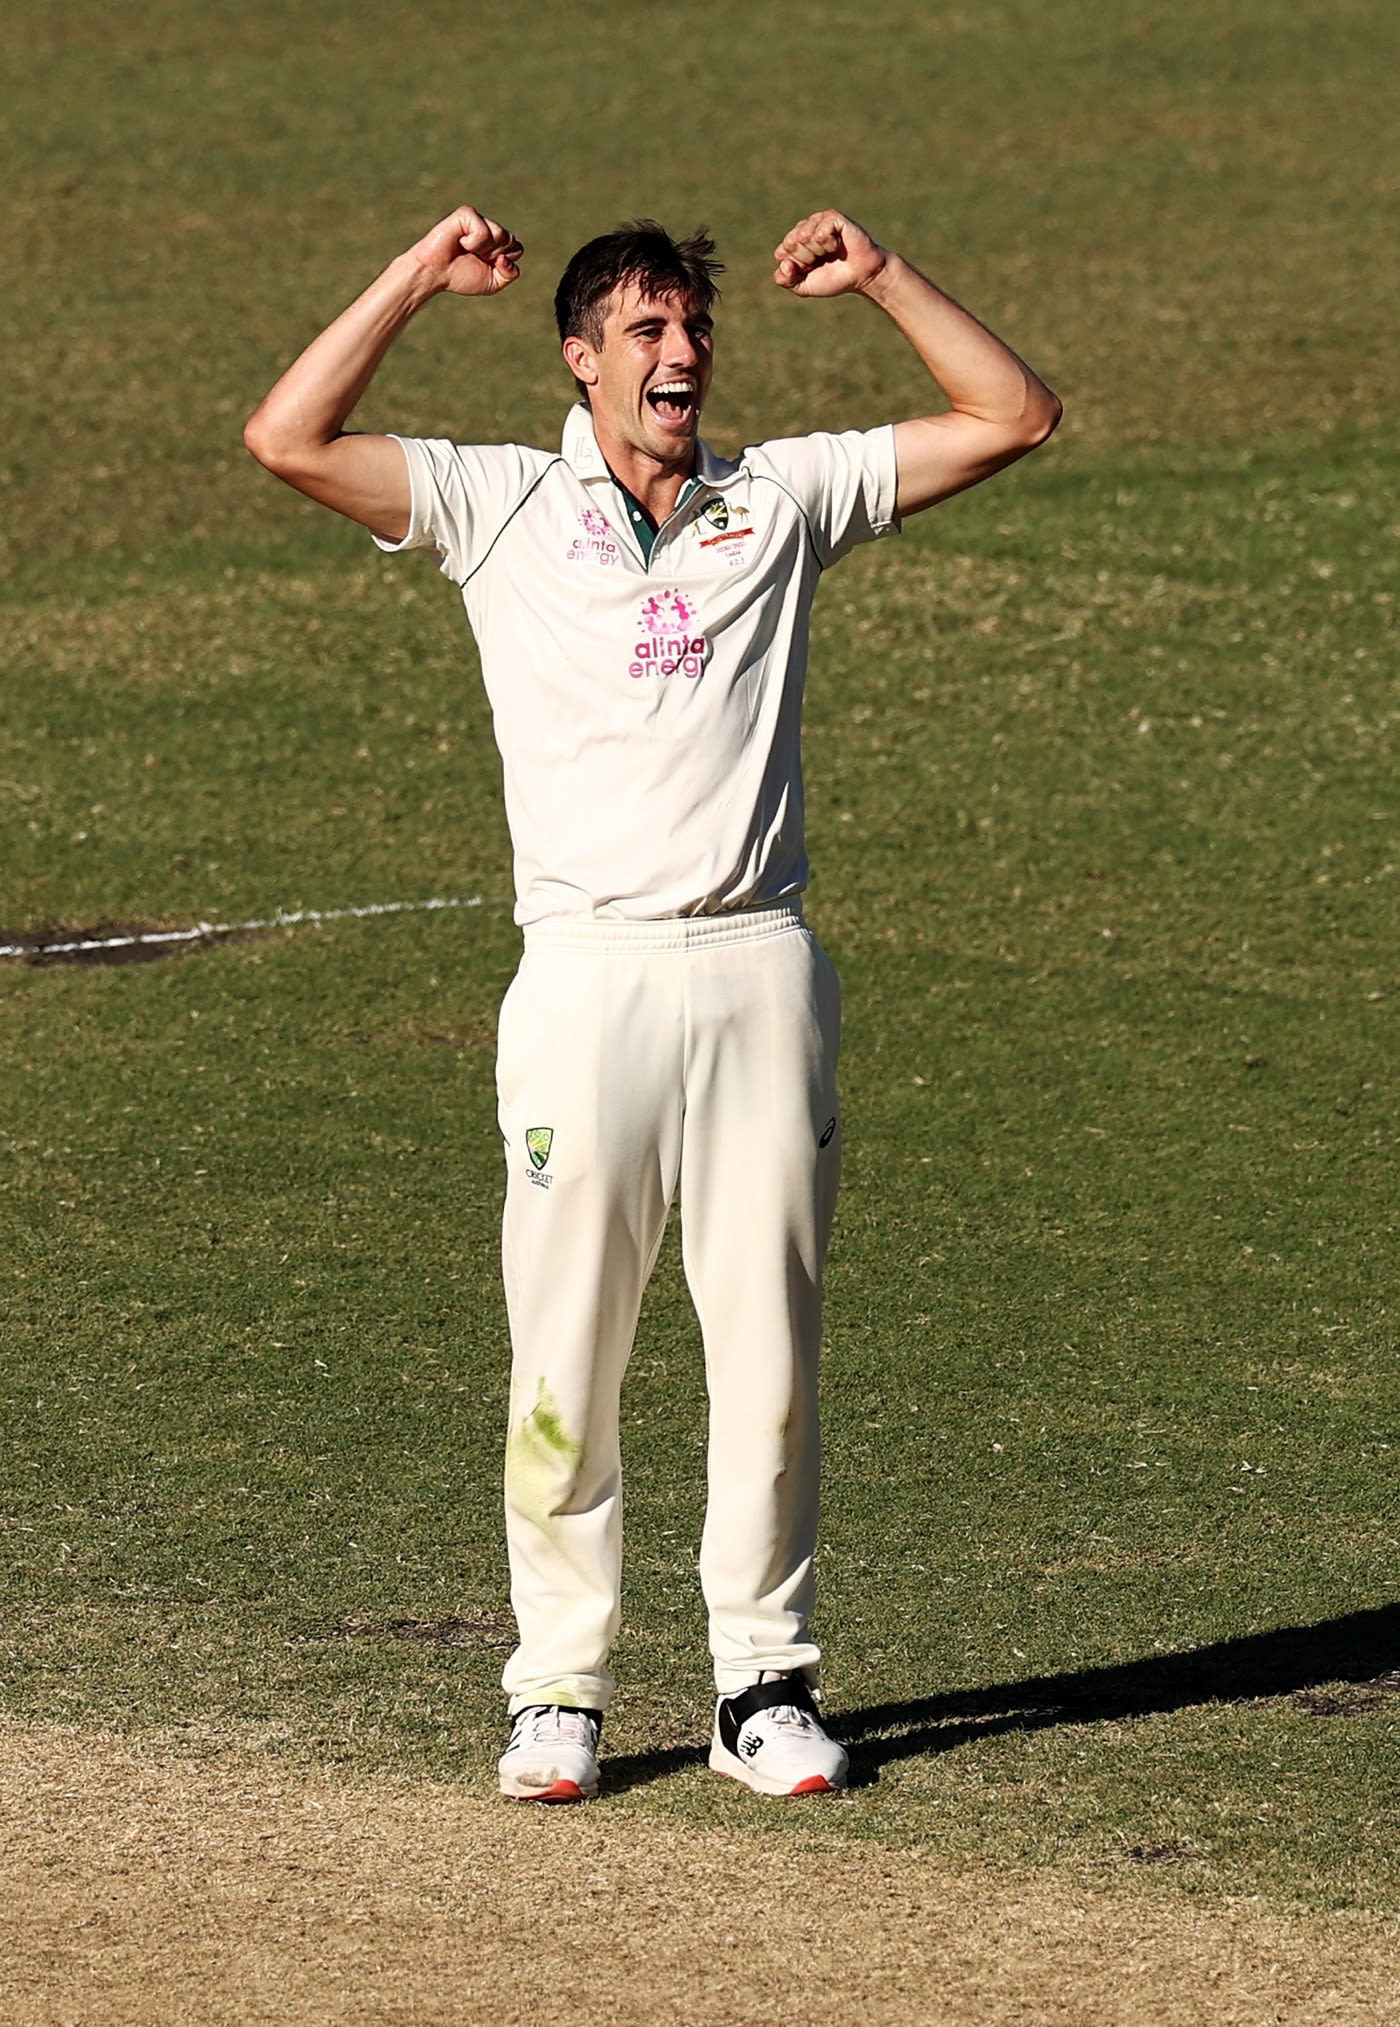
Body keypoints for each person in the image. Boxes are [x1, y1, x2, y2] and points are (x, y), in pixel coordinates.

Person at [245, 203, 1061, 1803]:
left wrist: (886, 274)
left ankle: (761, 1685)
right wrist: (417, 272)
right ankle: (558, 1693)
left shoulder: (781, 498)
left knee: (768, 1354)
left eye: (693, 329)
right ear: (580, 359)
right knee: (568, 1357)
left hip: (758, 967)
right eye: (645, 331)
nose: (681, 354)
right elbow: (287, 435)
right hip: (585, 981)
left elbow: (1013, 415)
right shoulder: (497, 504)